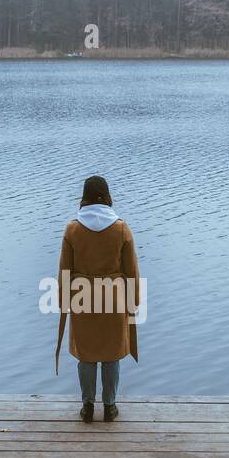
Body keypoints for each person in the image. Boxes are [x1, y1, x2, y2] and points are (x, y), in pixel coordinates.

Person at [55, 175, 140, 423]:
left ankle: (87, 405)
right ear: (108, 196)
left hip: (82, 297)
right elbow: (131, 270)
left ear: (84, 197)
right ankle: (110, 406)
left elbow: (64, 271)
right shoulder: (121, 228)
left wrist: (63, 299)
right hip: (114, 296)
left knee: (86, 354)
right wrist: (134, 300)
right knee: (111, 354)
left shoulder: (72, 228)